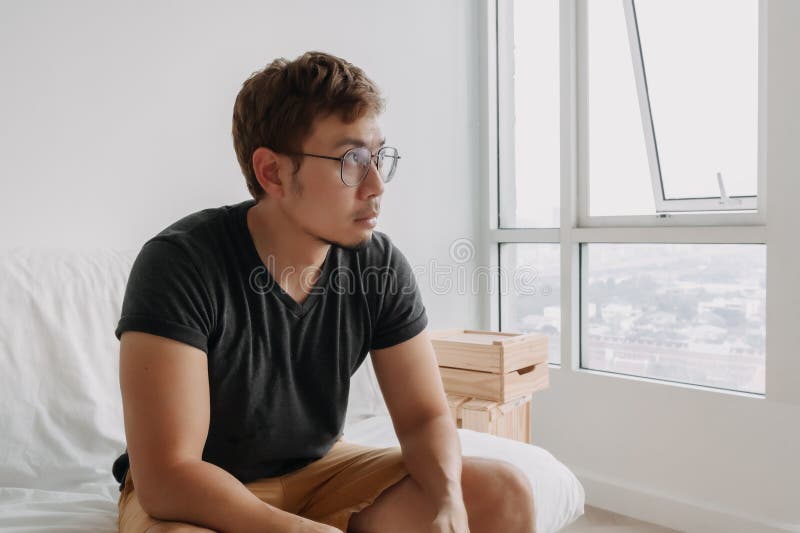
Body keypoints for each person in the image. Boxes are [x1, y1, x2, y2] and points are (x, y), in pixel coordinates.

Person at [114, 50, 536, 533]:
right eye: (353, 160)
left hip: (320, 472)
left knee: (504, 493)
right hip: (203, 489)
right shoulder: (179, 263)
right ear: (272, 172)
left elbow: (422, 417)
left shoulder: (377, 263)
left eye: (379, 157)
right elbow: (168, 474)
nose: (376, 185)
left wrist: (448, 504)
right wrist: (295, 530)